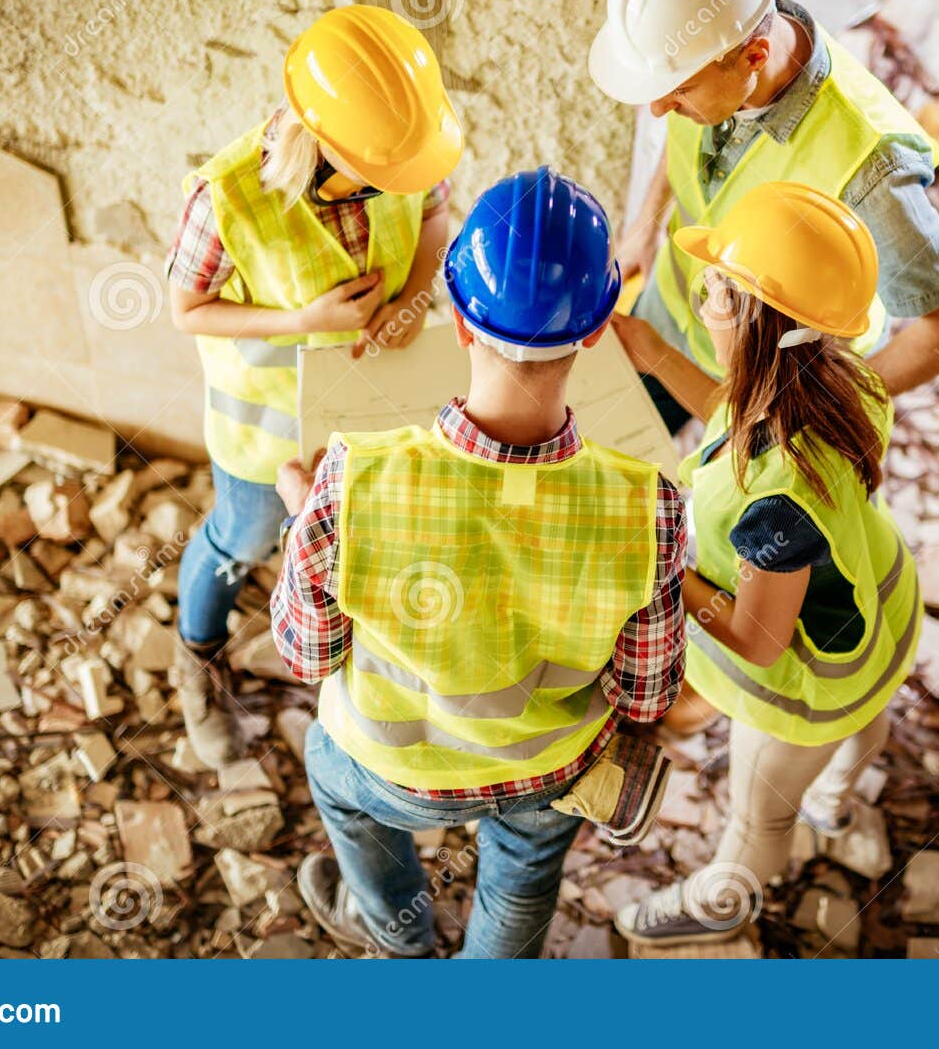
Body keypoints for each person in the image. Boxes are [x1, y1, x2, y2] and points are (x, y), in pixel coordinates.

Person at [270, 168, 687, 959]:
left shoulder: (351, 480)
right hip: (548, 773)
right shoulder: (651, 508)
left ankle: (398, 942)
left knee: (331, 769)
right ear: (596, 328)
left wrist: (307, 523)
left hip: (391, 771)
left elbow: (308, 654)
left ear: (460, 322)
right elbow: (645, 694)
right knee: (524, 876)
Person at [611, 182, 922, 948]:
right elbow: (740, 407)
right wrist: (651, 352)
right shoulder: (842, 383)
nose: (704, 300)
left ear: (754, 322)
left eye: (716, 290)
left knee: (759, 813)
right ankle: (838, 801)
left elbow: (756, 639)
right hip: (881, 626)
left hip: (808, 687)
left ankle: (723, 903)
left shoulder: (776, 503)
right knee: (863, 729)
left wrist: (661, 564)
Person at [166, 5, 460, 768]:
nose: (410, 176)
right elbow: (186, 308)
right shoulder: (224, 196)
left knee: (360, 528)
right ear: (327, 145)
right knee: (243, 541)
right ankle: (195, 660)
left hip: (373, 407)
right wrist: (302, 318)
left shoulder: (405, 147)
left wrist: (412, 302)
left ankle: (342, 657)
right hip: (266, 432)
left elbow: (437, 219)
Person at [589, 0, 939, 413]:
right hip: (671, 314)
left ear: (754, 57)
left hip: (757, 388)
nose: (657, 109)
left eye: (680, 91)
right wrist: (644, 229)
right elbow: (686, 134)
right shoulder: (721, 50)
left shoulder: (870, 166)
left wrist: (818, 416)